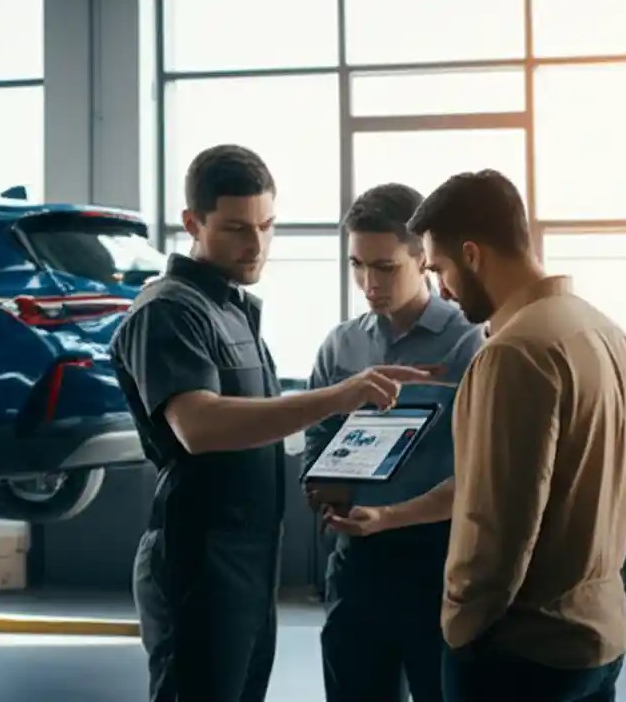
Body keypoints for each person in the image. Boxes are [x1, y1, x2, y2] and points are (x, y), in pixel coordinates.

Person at [109, 144, 432, 702]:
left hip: (252, 561)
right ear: (192, 223)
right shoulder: (168, 310)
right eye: (236, 228)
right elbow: (199, 426)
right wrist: (337, 396)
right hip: (197, 560)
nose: (256, 245)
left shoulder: (232, 308)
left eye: (266, 224)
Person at [406, 169, 626, 702]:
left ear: (472, 254)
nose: (441, 290)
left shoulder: (514, 353)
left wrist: (459, 627)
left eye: (438, 269)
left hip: (521, 652)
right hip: (600, 636)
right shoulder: (608, 333)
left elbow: (497, 525)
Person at [302, 183, 485, 702]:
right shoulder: (341, 344)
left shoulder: (469, 341)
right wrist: (319, 485)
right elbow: (318, 433)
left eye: (384, 267)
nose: (368, 282)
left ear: (421, 258)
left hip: (438, 555)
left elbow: (483, 457)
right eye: (357, 265)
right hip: (356, 555)